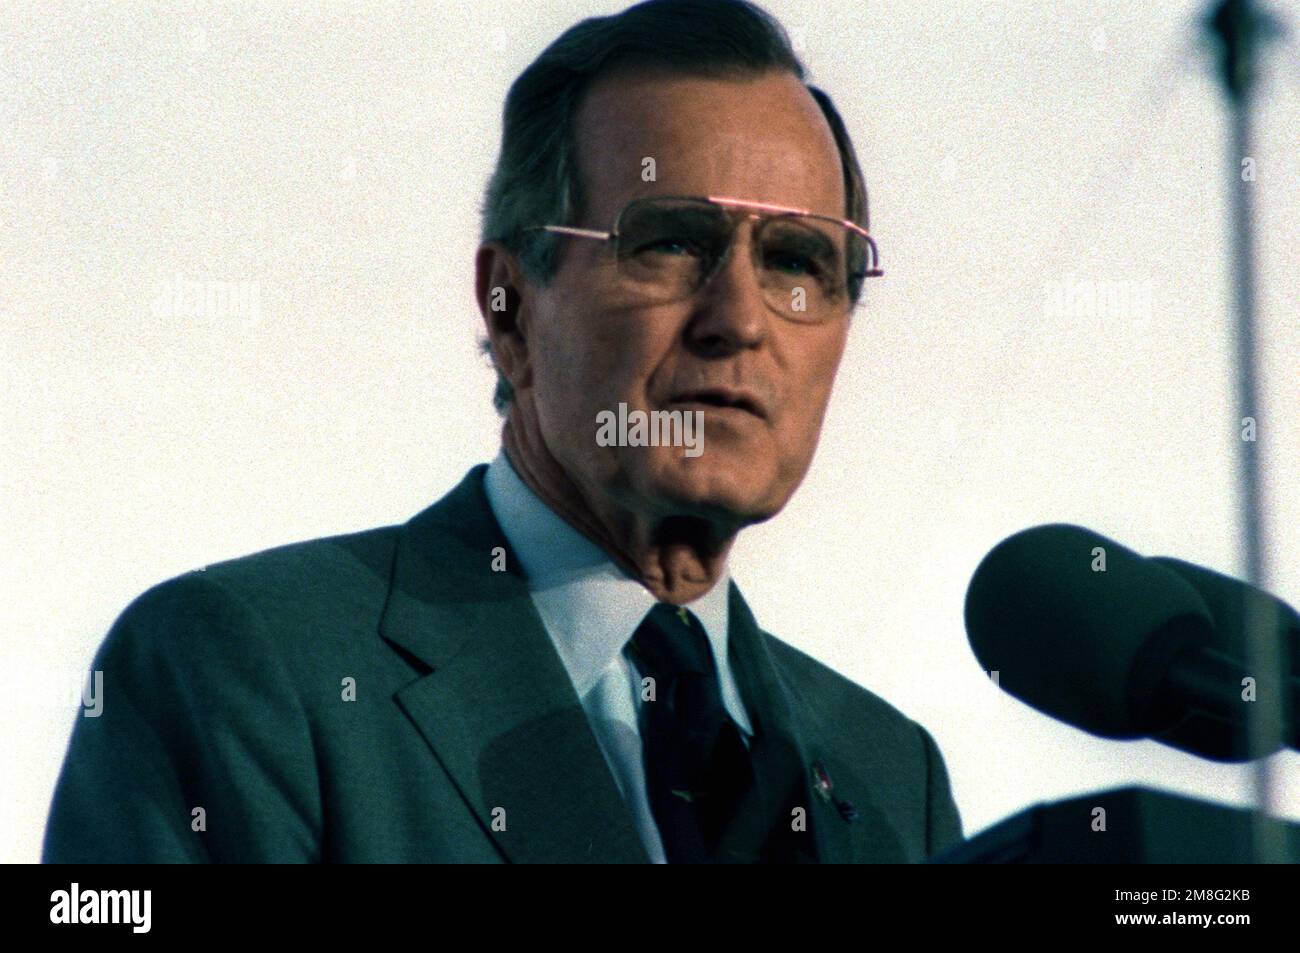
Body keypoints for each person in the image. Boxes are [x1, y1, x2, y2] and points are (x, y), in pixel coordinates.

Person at [44, 0, 962, 863]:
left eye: (798, 261)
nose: (741, 318)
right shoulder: (238, 674)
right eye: (671, 241)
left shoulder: (892, 780)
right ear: (513, 308)